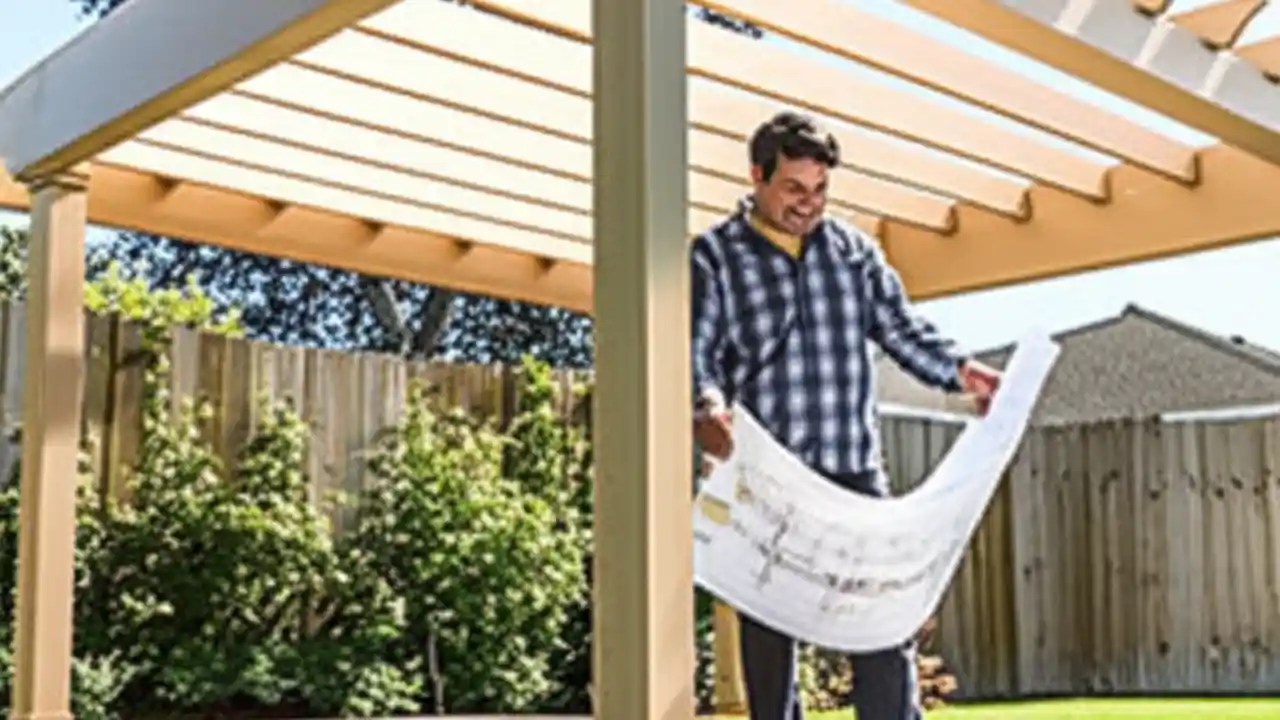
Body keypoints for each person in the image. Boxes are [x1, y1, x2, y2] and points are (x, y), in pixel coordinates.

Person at [689, 110, 1001, 720]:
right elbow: (698, 354)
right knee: (770, 645)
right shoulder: (716, 258)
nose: (809, 204)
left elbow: (902, 331)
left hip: (853, 476)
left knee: (882, 633)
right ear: (757, 176)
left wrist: (963, 371)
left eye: (820, 191)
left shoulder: (853, 253)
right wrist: (708, 405)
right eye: (794, 190)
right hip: (768, 484)